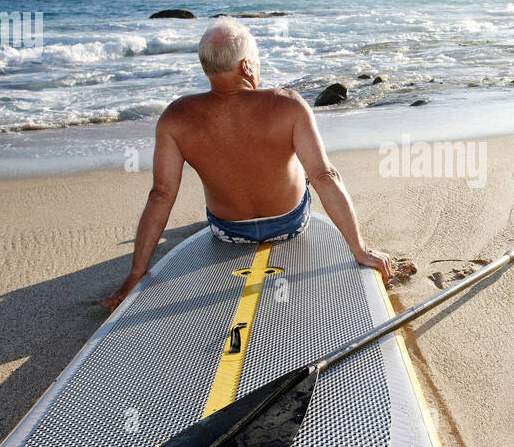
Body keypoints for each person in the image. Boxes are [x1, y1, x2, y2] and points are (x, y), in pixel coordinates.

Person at [101, 17, 392, 311]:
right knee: (308, 172)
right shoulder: (288, 104)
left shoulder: (175, 116)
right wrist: (360, 250)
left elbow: (161, 194)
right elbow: (324, 176)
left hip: (227, 231)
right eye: (256, 59)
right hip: (289, 223)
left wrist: (136, 274)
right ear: (246, 66)